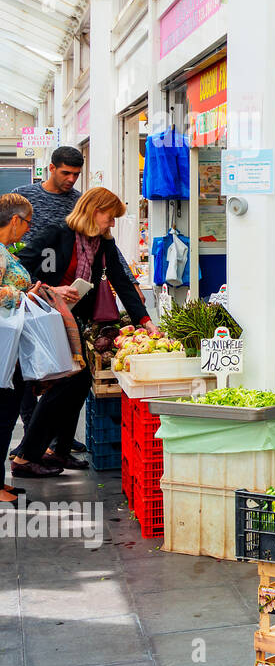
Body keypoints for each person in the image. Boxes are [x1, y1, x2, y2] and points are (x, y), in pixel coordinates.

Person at [12, 188, 159, 478]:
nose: (113, 223)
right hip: (45, 322)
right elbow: (19, 269)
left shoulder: (102, 243)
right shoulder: (57, 235)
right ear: (94, 212)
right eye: (110, 216)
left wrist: (145, 321)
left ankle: (59, 449)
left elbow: (121, 280)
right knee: (70, 381)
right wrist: (48, 290)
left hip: (72, 322)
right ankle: (26, 456)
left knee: (78, 383)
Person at [0, 194, 39, 501]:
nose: (28, 228)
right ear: (15, 220)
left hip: (9, 346)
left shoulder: (5, 251)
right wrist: (22, 295)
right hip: (2, 347)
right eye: (27, 222)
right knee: (1, 414)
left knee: (8, 412)